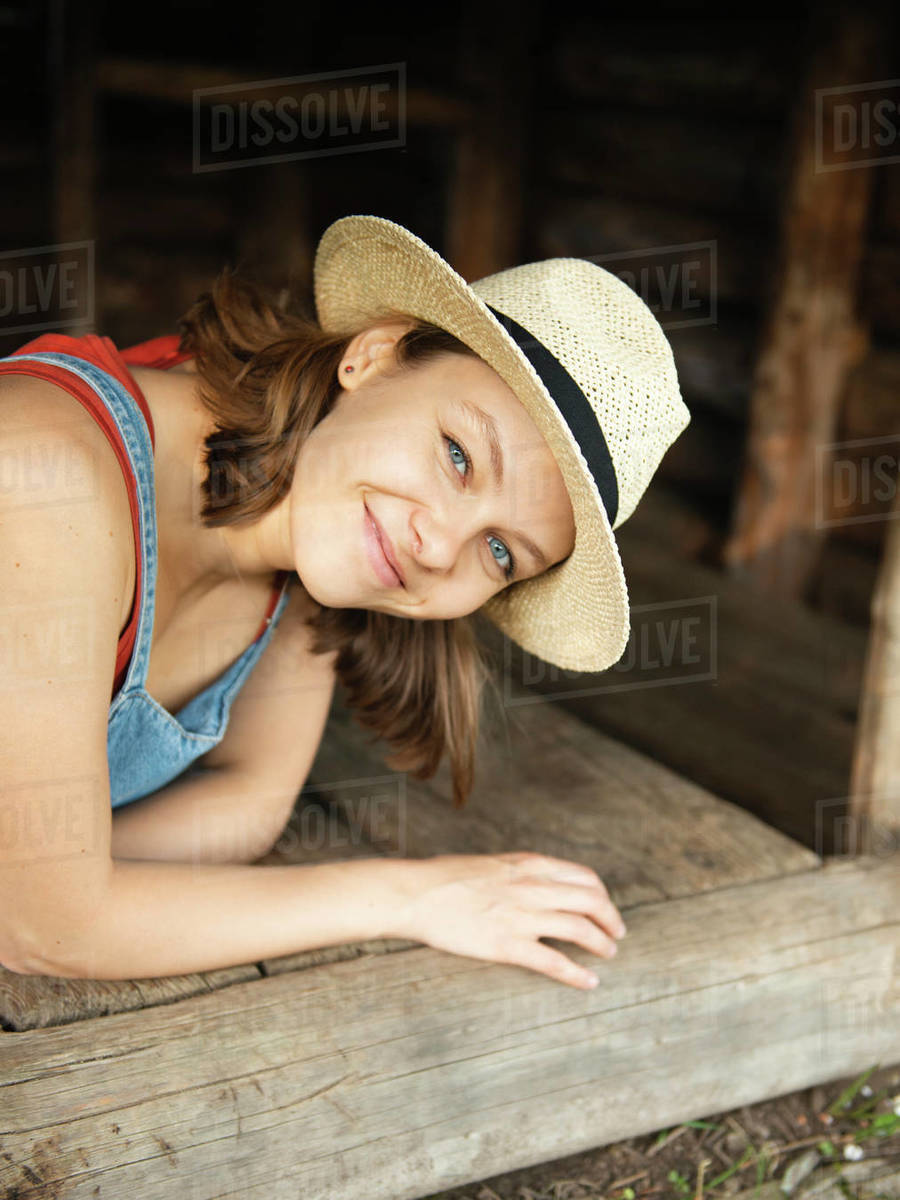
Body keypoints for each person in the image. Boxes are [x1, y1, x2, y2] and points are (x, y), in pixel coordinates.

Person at [0, 215, 690, 989]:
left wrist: (65, 872)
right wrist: (412, 894)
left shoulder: (307, 556)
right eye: (459, 456)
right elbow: (42, 926)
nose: (440, 547)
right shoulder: (45, 478)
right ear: (374, 355)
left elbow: (254, 799)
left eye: (500, 552)